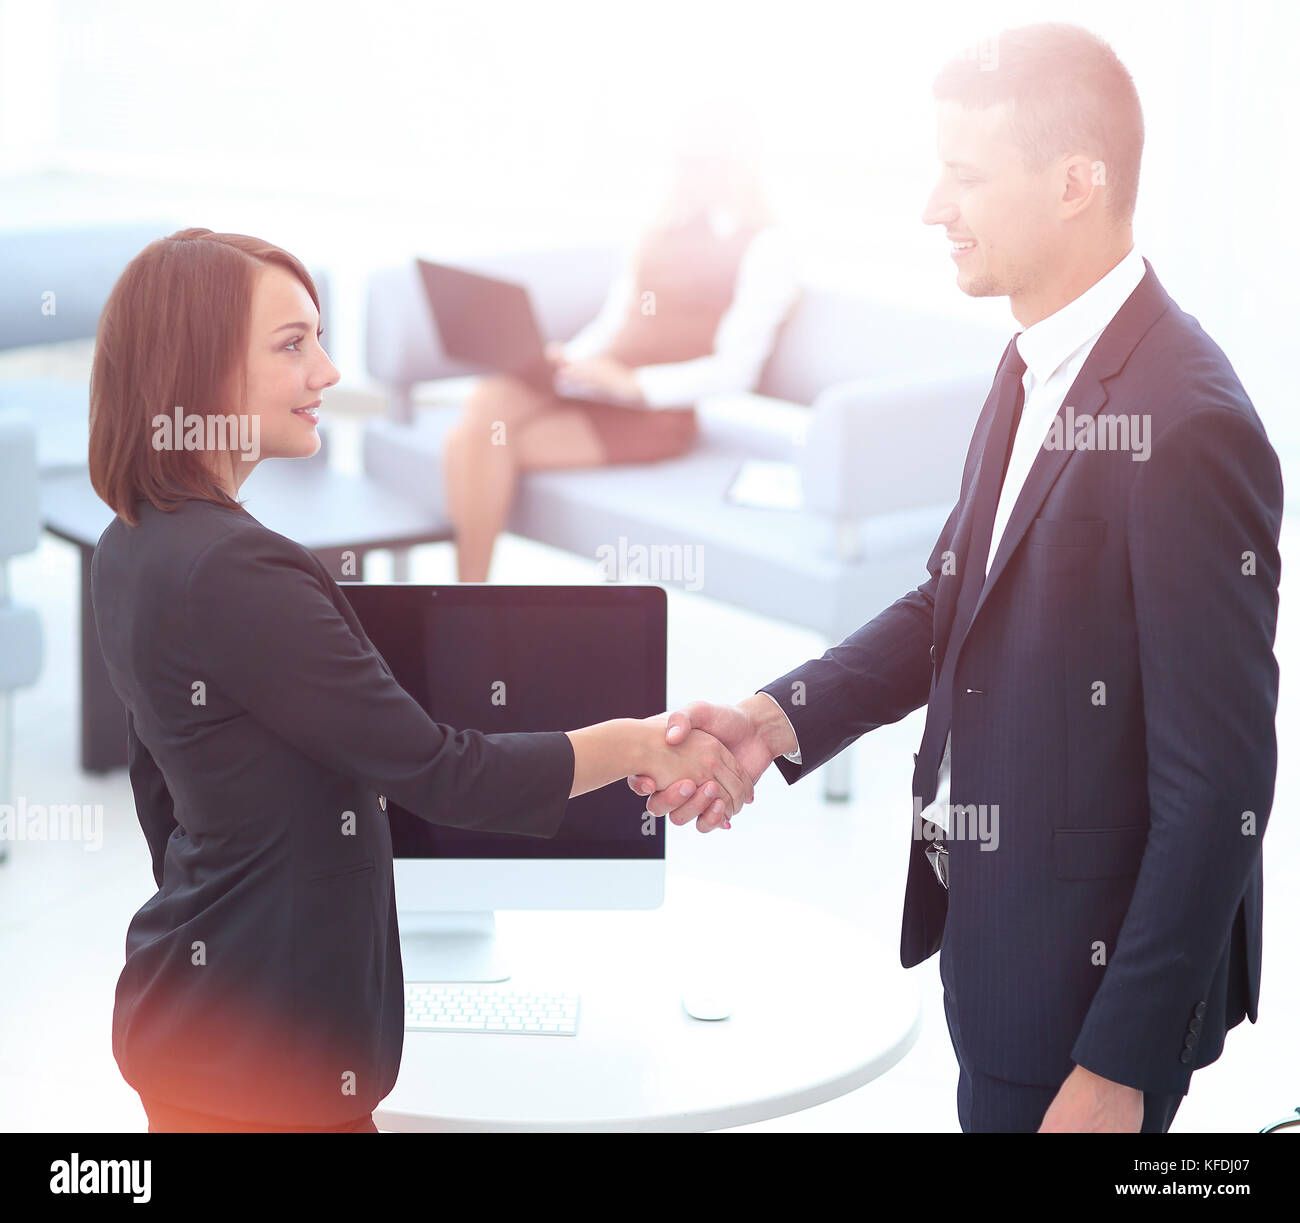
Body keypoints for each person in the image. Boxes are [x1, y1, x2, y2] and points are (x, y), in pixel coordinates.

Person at [631, 23, 1283, 1133]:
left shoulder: (1188, 425)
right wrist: (772, 718)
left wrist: (1118, 1064)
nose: (934, 206)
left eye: (966, 175)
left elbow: (1218, 787)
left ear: (1079, 181)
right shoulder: (1033, 355)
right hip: (1001, 945)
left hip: (1087, 1007)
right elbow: (955, 598)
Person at [87, 228, 752, 1133]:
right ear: (196, 368)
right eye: (292, 345)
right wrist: (638, 741)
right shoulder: (239, 569)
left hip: (193, 1023)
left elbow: (161, 791)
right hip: (263, 1061)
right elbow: (442, 771)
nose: (326, 372)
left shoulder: (130, 543)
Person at [441, 97, 800, 581]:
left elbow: (736, 369)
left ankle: (464, 607)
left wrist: (634, 385)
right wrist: (570, 361)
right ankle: (468, 607)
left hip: (652, 412)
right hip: (591, 384)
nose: (687, 172)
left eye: (701, 160)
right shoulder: (656, 230)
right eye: (682, 160)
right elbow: (617, 319)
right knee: (487, 403)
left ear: (736, 164)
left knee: (475, 442)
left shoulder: (766, 247)